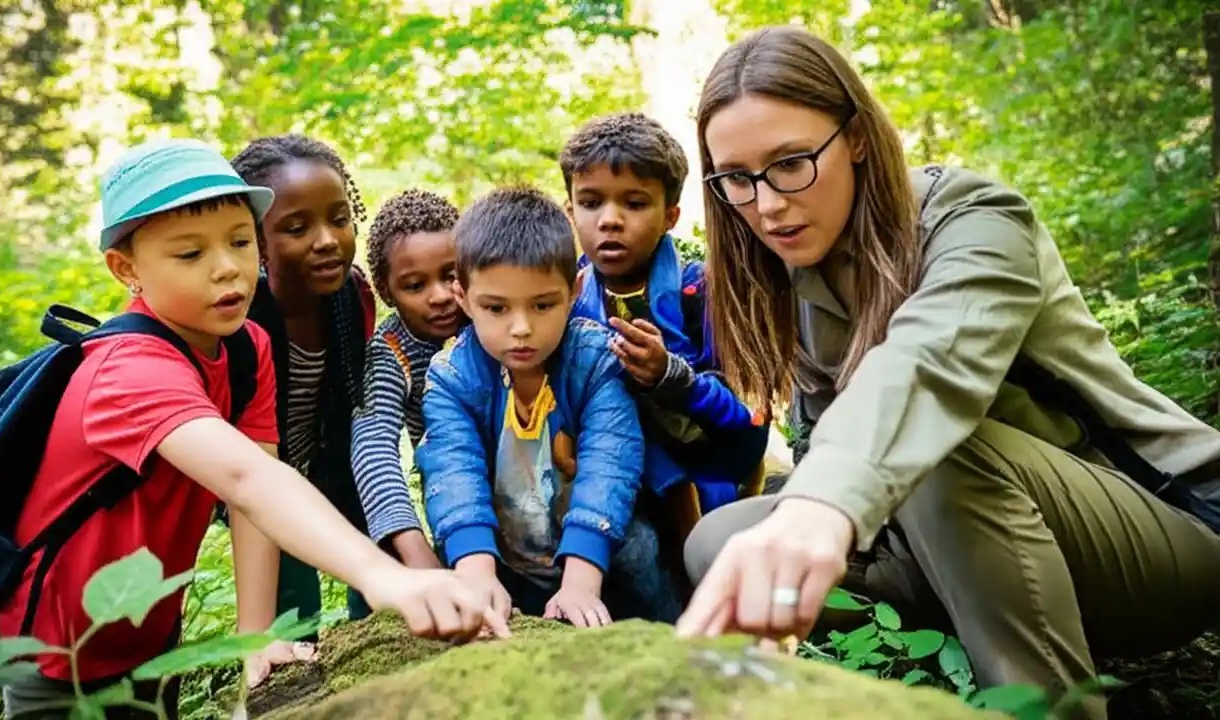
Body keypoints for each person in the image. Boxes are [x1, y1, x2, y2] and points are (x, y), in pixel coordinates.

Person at [674, 25, 1220, 720]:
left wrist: (820, 510)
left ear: (858, 138)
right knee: (723, 543)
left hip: (1168, 536)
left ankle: (1053, 708)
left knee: (934, 448)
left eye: (791, 163)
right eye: (738, 180)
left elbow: (929, 368)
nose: (769, 203)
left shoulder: (975, 220)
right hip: (967, 547)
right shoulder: (794, 273)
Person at [0, 139, 506, 719]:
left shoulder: (244, 346)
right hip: (59, 654)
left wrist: (255, 639)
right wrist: (387, 578)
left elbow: (255, 496)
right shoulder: (128, 370)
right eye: (190, 255)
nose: (226, 267)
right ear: (126, 268)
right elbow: (245, 478)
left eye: (239, 241)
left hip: (152, 631)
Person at [416, 186, 678, 628]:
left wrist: (581, 582)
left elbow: (609, 464)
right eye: (496, 308)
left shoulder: (595, 361)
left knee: (642, 557)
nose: (521, 329)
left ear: (574, 289)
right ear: (463, 298)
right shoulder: (452, 377)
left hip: (604, 558)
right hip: (502, 560)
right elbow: (451, 472)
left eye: (542, 305)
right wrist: (476, 574)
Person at [560, 112, 769, 563]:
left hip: (709, 491)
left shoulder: (703, 292)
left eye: (634, 204)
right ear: (569, 210)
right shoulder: (562, 298)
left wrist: (670, 376)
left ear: (670, 215)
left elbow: (748, 424)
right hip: (604, 494)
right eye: (591, 202)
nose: (610, 220)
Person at [230, 135, 378, 626]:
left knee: (383, 543)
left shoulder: (350, 296)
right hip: (254, 477)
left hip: (326, 463)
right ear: (256, 241)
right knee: (292, 596)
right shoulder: (238, 319)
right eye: (297, 228)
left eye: (339, 218)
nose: (327, 240)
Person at [350, 189, 463, 569]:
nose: (440, 296)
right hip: (454, 504)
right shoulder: (392, 350)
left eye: (451, 275)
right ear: (387, 291)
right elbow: (373, 447)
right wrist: (415, 552)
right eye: (415, 286)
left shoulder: (493, 320)